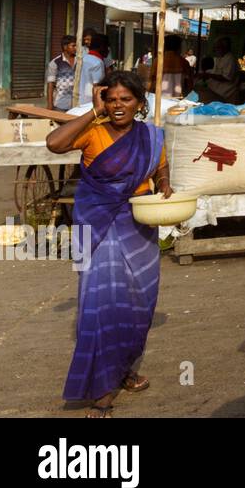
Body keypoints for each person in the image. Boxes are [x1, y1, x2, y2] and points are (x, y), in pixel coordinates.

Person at [46, 71, 171, 417]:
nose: (118, 106)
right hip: (98, 227)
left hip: (139, 226)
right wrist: (92, 111)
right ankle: (103, 392)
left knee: (137, 304)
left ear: (140, 104)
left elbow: (161, 167)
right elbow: (55, 144)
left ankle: (125, 370)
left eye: (125, 100)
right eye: (111, 99)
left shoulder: (151, 135)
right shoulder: (93, 130)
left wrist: (164, 184)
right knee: (100, 306)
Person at [196, 38, 241, 103]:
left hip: (227, 93)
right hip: (216, 91)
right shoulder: (220, 57)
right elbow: (215, 71)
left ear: (225, 47)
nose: (215, 49)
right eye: (215, 47)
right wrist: (205, 74)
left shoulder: (230, 59)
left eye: (217, 47)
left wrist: (209, 75)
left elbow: (226, 77)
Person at [46, 36, 79, 112]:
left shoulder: (80, 61)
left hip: (78, 103)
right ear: (65, 47)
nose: (76, 48)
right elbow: (50, 84)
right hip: (61, 104)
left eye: (77, 46)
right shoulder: (55, 63)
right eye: (73, 46)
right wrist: (50, 104)